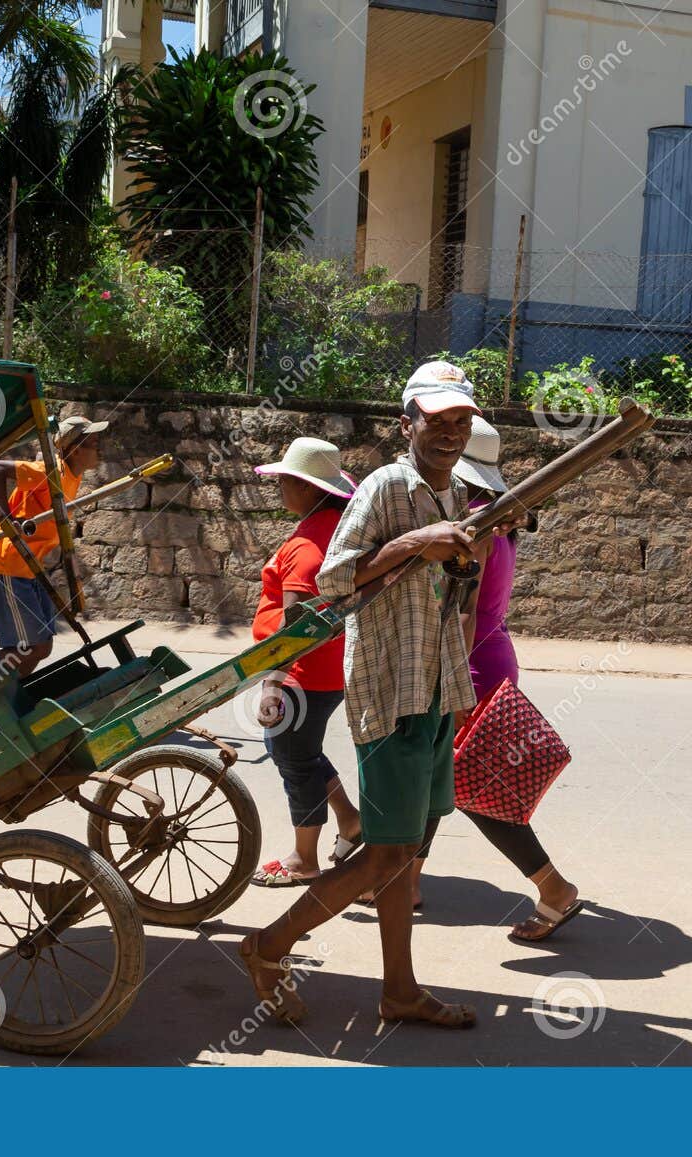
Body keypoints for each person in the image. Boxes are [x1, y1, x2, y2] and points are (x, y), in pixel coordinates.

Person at [236, 360, 480, 1029]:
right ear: (407, 423)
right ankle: (268, 944)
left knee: (404, 851)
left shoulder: (454, 493)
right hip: (387, 687)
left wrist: (458, 564)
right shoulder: (381, 489)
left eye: (461, 420)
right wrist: (417, 542)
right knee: (383, 851)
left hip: (432, 684)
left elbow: (446, 587)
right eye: (437, 420)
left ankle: (399, 988)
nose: (451, 432)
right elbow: (336, 581)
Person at [407, 415, 583, 941]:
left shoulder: (478, 530)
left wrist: (455, 684)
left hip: (474, 663)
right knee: (439, 776)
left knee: (473, 787)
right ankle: (404, 880)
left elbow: (463, 610)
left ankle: (553, 887)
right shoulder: (497, 524)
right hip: (491, 654)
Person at [248, 437, 363, 887]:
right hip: (329, 667)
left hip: (303, 672)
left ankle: (304, 859)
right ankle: (351, 822)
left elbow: (294, 628)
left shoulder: (307, 546)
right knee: (298, 752)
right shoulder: (336, 526)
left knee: (294, 761)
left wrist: (273, 683)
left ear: (308, 488)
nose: (280, 489)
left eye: (286, 482)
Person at [0, 415, 104, 677]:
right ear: (74, 449)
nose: (100, 448)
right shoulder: (52, 472)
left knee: (43, 647)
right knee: (32, 646)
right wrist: (5, 519)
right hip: (12, 564)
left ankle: (10, 696)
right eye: (94, 442)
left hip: (31, 567)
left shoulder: (72, 475)